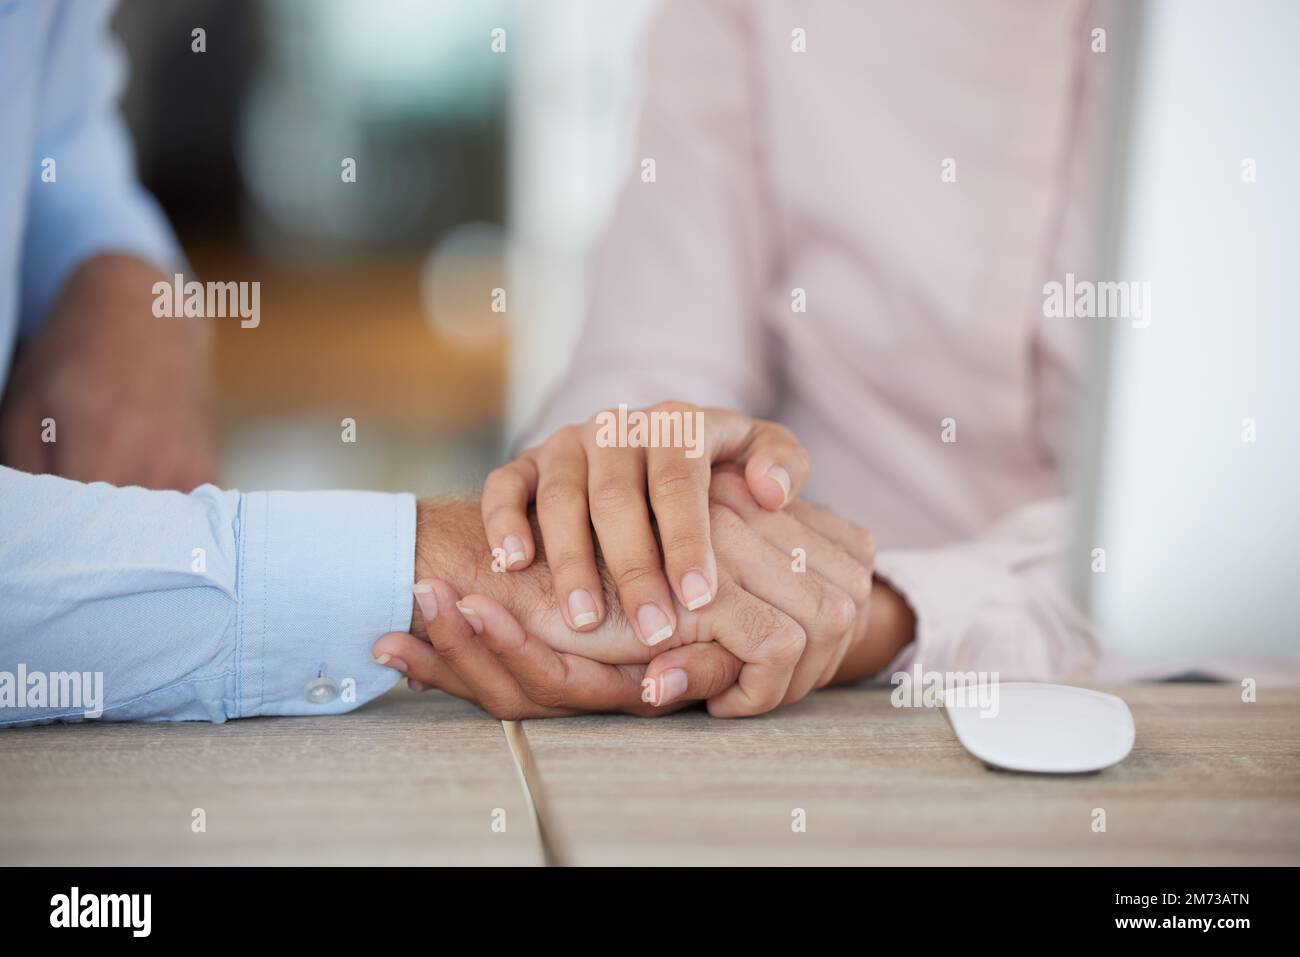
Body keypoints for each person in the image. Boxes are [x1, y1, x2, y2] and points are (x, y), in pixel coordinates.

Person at [394, 0, 1107, 709]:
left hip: (1140, 692)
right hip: (796, 680)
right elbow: (659, 342)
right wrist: (625, 504)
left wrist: (878, 609)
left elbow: (1206, 552)